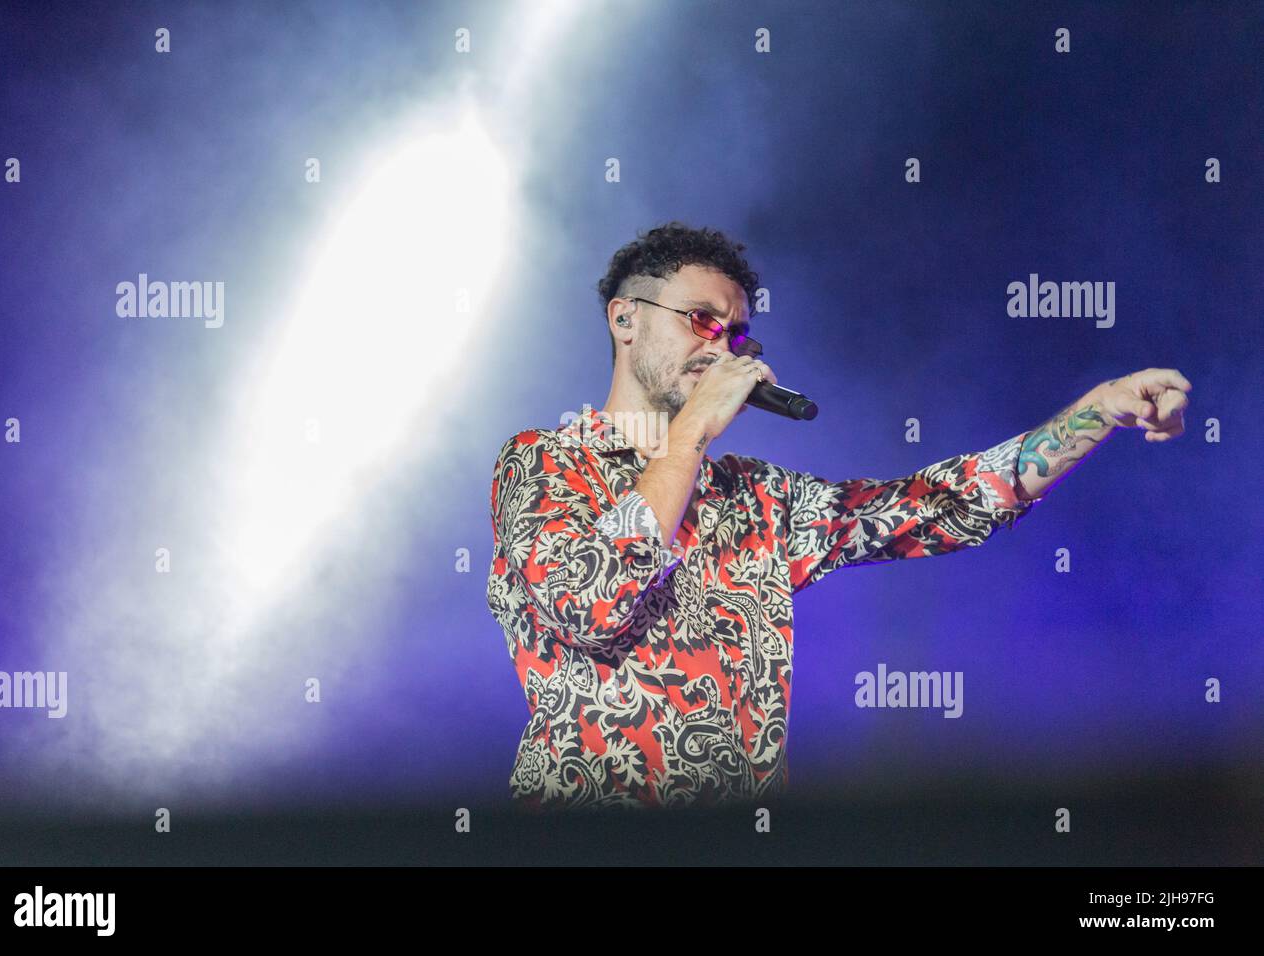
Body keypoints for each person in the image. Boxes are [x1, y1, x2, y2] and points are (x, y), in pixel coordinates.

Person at [486, 221, 1191, 811]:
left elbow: (942, 508)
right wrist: (694, 430)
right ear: (625, 316)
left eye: (736, 339)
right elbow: (590, 602)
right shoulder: (543, 464)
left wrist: (1097, 410)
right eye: (702, 320)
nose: (720, 347)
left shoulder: (758, 500)